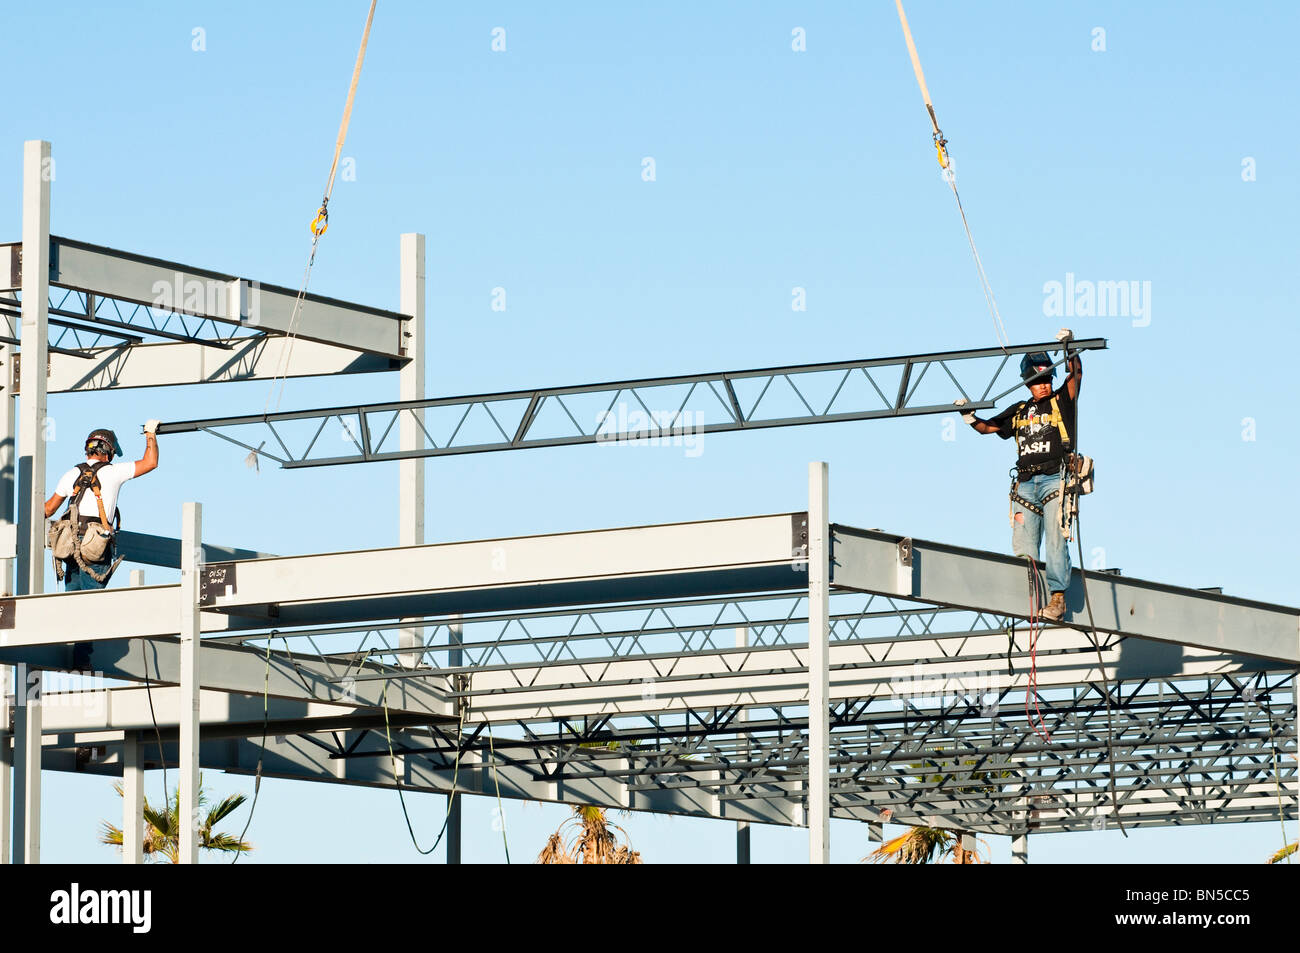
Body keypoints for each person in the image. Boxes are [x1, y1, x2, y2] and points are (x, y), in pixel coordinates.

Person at [955, 330, 1080, 622]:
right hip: (1025, 485)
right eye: (1038, 382)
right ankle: (1027, 598)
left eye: (1047, 379)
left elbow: (1075, 375)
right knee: (1024, 548)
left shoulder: (1062, 401)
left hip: (1054, 480)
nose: (1044, 386)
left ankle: (1057, 597)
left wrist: (1069, 347)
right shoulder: (1020, 411)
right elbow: (991, 428)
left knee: (1055, 541)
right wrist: (970, 418)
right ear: (1028, 384)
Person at [43, 421, 160, 590]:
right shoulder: (114, 471)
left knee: (71, 603)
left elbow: (48, 509)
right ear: (109, 452)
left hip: (69, 543)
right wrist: (150, 434)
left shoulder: (71, 474)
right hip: (94, 543)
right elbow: (150, 462)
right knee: (92, 603)